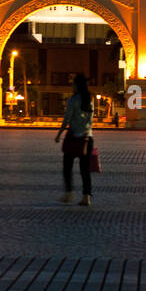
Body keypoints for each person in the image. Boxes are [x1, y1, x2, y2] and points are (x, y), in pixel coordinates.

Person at [54, 74, 95, 206]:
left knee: (67, 167)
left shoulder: (73, 100)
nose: (71, 86)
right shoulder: (90, 99)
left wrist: (59, 134)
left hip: (73, 138)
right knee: (85, 169)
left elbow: (67, 119)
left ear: (77, 85)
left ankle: (69, 193)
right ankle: (86, 197)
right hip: (87, 139)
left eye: (73, 84)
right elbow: (90, 121)